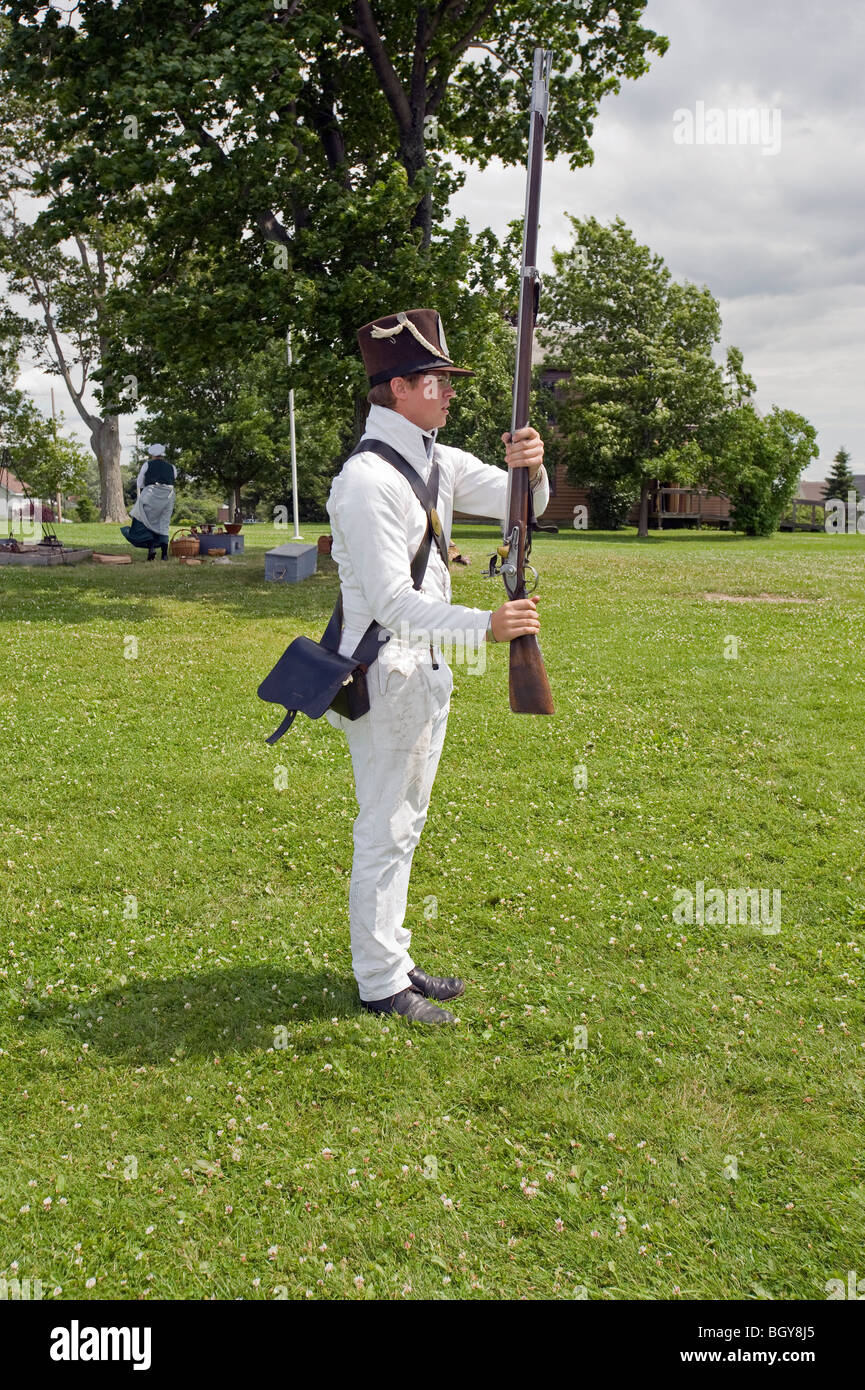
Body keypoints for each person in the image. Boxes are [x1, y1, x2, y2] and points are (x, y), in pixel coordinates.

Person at [325, 308, 549, 1026]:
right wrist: (484, 626)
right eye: (437, 381)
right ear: (395, 388)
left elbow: (527, 506)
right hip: (384, 671)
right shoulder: (365, 481)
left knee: (406, 822)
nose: (450, 393)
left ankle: (392, 954)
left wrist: (531, 465)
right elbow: (392, 602)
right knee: (385, 826)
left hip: (424, 669)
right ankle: (379, 983)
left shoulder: (434, 459)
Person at [120, 444, 176, 560]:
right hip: (168, 496)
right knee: (164, 522)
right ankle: (164, 555)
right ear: (162, 455)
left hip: (151, 494)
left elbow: (139, 482)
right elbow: (172, 479)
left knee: (143, 520)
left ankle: (151, 548)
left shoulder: (147, 464)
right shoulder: (172, 467)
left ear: (152, 455)